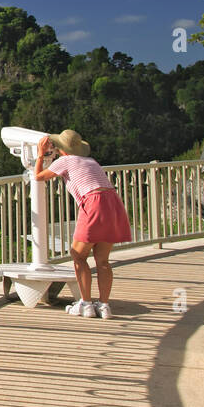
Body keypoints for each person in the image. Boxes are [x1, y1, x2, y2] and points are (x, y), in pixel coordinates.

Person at [32, 129, 132, 320]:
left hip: (93, 202)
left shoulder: (64, 161)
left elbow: (38, 176)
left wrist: (40, 155)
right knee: (102, 261)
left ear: (61, 149)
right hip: (112, 202)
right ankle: (104, 306)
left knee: (78, 255)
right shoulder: (91, 161)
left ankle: (86, 304)